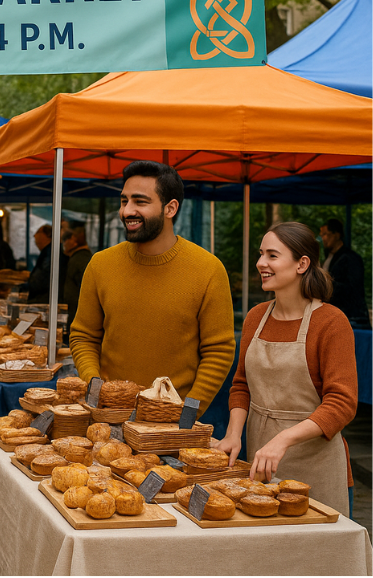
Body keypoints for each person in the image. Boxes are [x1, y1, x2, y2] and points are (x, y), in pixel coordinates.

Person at [69, 160, 235, 415]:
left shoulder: (208, 269)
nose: (126, 211)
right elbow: (84, 336)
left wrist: (187, 415)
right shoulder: (100, 265)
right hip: (106, 415)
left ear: (170, 208)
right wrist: (96, 389)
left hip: (172, 422)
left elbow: (219, 350)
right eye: (124, 201)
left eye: (140, 202)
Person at [214, 222, 357, 517]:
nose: (260, 263)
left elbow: (341, 404)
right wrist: (233, 435)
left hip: (315, 465)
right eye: (260, 254)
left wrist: (282, 439)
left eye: (272, 255)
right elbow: (241, 386)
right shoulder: (255, 317)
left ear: (302, 263)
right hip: (258, 461)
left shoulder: (331, 322)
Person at [319, 218, 370, 328]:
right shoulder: (329, 257)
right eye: (322, 235)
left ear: (336, 235)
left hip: (352, 318)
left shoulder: (350, 259)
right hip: (336, 314)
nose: (323, 238)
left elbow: (353, 289)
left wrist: (326, 284)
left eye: (326, 234)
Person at [62, 227, 93, 328]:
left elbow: (86, 286)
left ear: (73, 240)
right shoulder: (79, 257)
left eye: (66, 240)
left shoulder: (80, 258)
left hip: (78, 312)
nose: (64, 243)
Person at [25, 225, 54, 304]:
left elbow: (41, 279)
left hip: (44, 300)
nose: (34, 235)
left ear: (47, 235)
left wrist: (26, 284)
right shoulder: (47, 252)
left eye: (38, 232)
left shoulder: (51, 253)